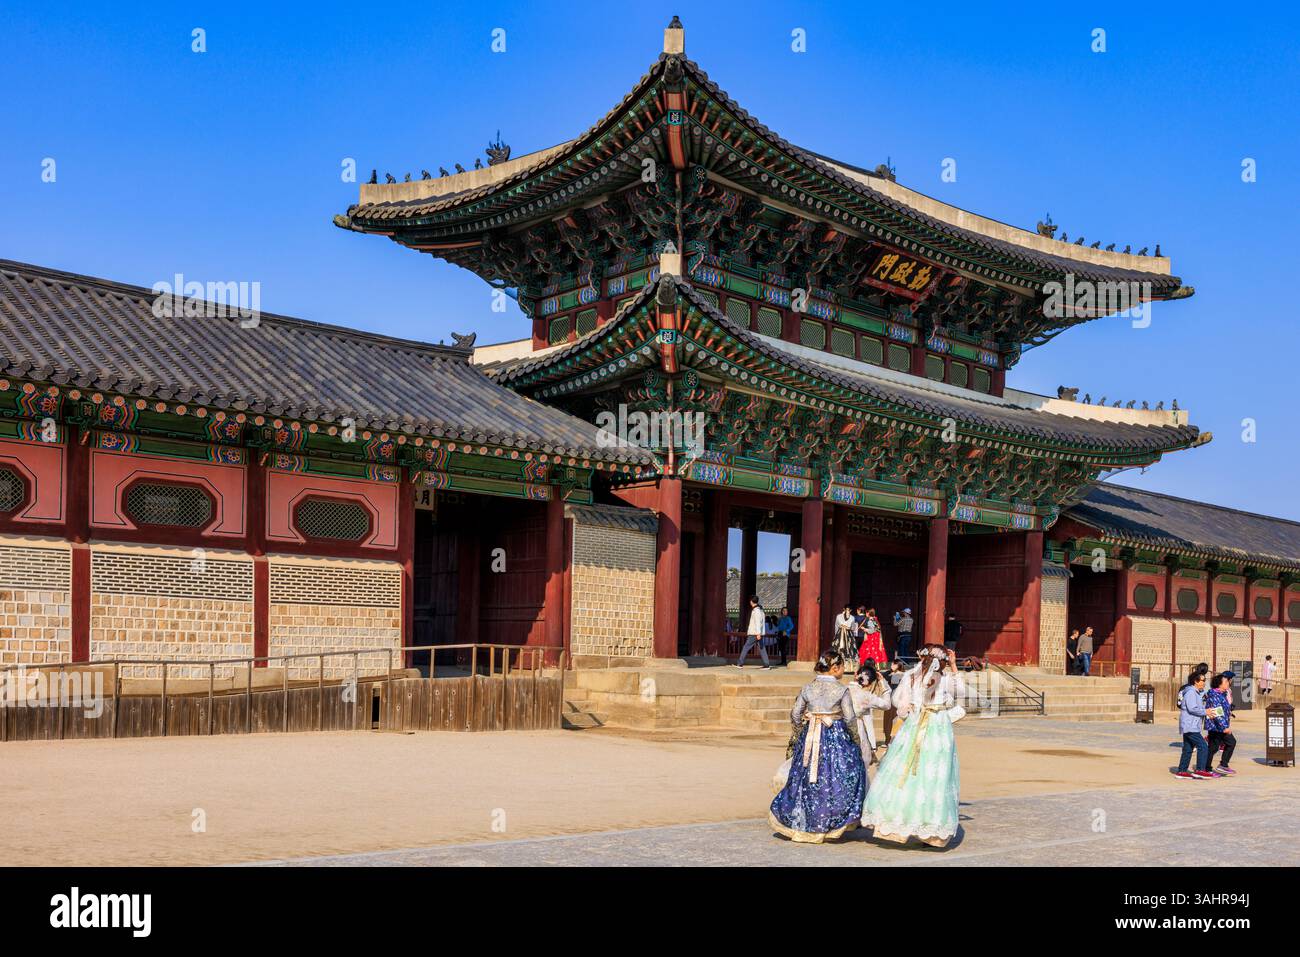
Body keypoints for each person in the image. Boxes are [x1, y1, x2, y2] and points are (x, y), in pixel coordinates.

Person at [862, 645, 964, 847]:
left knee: (905, 771)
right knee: (934, 774)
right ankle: (931, 829)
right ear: (943, 660)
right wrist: (954, 667)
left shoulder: (911, 675)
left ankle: (895, 821)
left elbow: (896, 700)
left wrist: (908, 710)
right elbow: (961, 693)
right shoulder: (944, 678)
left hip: (915, 724)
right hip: (938, 726)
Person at [769, 652, 867, 843]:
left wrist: (800, 733)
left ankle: (803, 822)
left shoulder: (808, 688)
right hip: (835, 736)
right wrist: (855, 739)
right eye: (842, 666)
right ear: (835, 668)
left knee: (806, 778)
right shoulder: (841, 690)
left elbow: (795, 714)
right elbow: (850, 718)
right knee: (836, 776)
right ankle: (829, 823)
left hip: (811, 735)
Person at [849, 664, 892, 768]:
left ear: (856, 675)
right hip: (857, 729)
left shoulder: (843, 690)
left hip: (839, 727)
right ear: (870, 683)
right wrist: (884, 685)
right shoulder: (866, 696)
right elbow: (887, 705)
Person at [1174, 671, 1213, 780]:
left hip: (1191, 725)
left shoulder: (1195, 692)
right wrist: (1205, 712)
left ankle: (1181, 771)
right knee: (1203, 746)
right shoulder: (1191, 692)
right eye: (1202, 680)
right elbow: (1192, 708)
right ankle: (1200, 770)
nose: (1204, 683)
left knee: (1188, 748)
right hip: (1189, 725)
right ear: (1195, 681)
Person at [1204, 673, 1237, 776]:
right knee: (1231, 742)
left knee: (1213, 748)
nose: (1228, 683)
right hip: (1216, 726)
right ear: (1219, 684)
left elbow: (1222, 709)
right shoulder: (1215, 695)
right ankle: (1221, 765)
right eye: (1226, 682)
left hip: (1219, 726)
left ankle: (1207, 768)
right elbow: (1217, 713)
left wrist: (1229, 712)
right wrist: (1224, 727)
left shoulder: (1221, 694)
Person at [737, 595, 772, 669]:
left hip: (754, 633)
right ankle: (766, 664)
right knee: (762, 648)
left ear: (751, 601)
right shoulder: (760, 610)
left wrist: (758, 633)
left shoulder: (756, 611)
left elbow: (758, 622)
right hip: (759, 633)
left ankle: (740, 663)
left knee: (746, 647)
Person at [881, 659, 906, 746]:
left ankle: (890, 740)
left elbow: (892, 681)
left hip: (895, 700)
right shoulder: (891, 673)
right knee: (888, 720)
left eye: (894, 664)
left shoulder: (900, 675)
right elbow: (884, 675)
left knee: (892, 720)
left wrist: (890, 675)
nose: (891, 665)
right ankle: (887, 739)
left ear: (898, 665)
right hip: (890, 699)